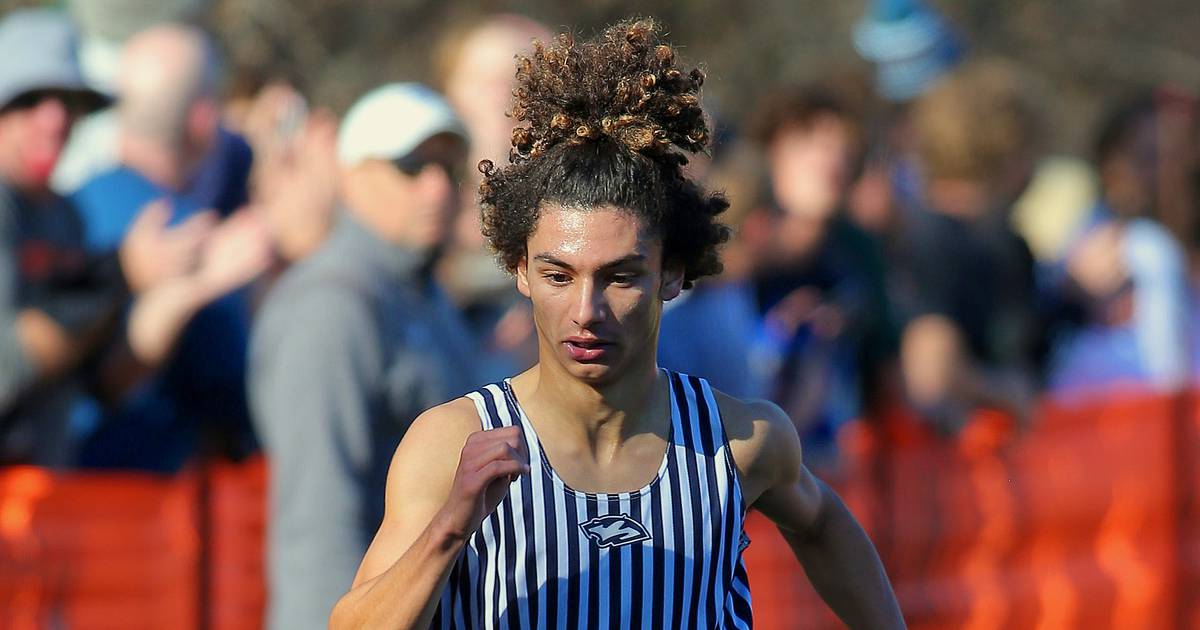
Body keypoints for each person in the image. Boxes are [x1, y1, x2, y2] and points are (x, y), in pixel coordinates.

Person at [331, 20, 904, 629]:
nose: (586, 310)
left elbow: (822, 524)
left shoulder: (739, 440)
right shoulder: (453, 443)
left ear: (672, 274)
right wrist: (450, 527)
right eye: (558, 275)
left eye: (620, 276)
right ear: (520, 270)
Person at [249, 82, 482, 630]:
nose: (436, 188)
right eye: (411, 167)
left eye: (448, 169)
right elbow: (319, 516)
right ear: (352, 176)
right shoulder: (331, 304)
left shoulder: (421, 291)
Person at [67, 23, 268, 470]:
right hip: (145, 496)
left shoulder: (65, 209)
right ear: (203, 119)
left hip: (37, 491)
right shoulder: (195, 238)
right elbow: (239, 398)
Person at [889, 59, 1042, 430]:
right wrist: (1004, 389)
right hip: (953, 458)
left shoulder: (999, 239)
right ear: (1010, 148)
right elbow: (931, 376)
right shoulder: (937, 239)